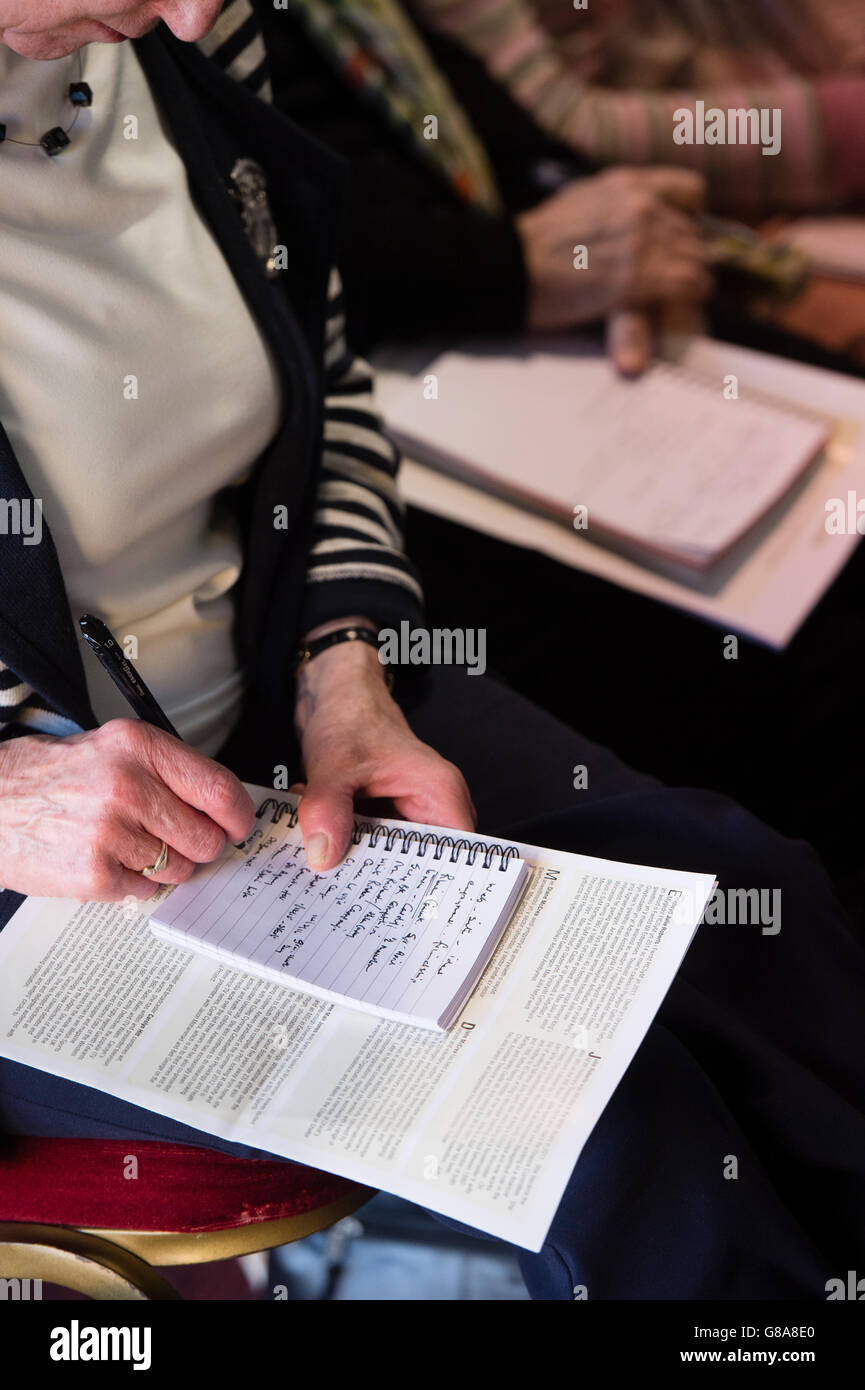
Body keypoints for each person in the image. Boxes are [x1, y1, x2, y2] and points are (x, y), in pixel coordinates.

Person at [1, 0, 864, 1300]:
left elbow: (327, 383)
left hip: (269, 690)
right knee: (601, 1121)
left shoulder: (185, 34)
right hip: (41, 847)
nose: (194, 10)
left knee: (763, 911)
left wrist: (344, 662)